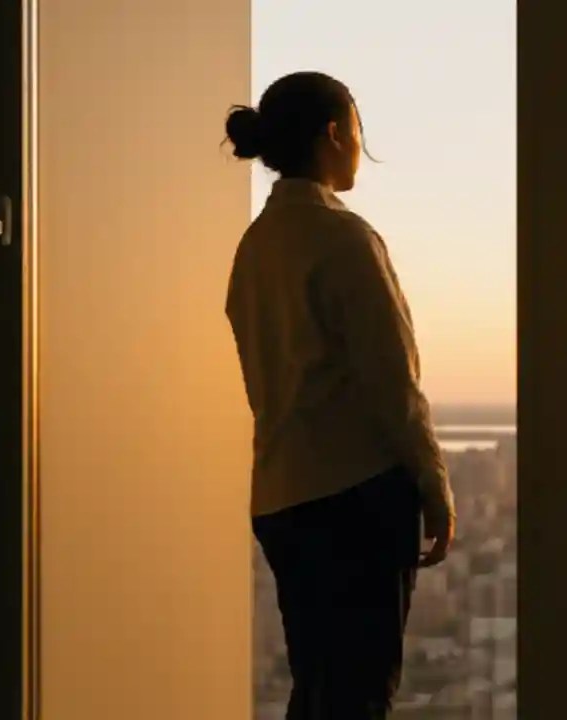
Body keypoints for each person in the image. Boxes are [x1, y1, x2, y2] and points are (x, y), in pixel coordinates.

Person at [223, 71, 457, 720]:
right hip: (355, 495)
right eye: (356, 131)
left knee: (318, 688)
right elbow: (393, 381)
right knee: (358, 694)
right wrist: (433, 483)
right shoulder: (344, 238)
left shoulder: (255, 247)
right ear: (332, 134)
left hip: (281, 498)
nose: (359, 147)